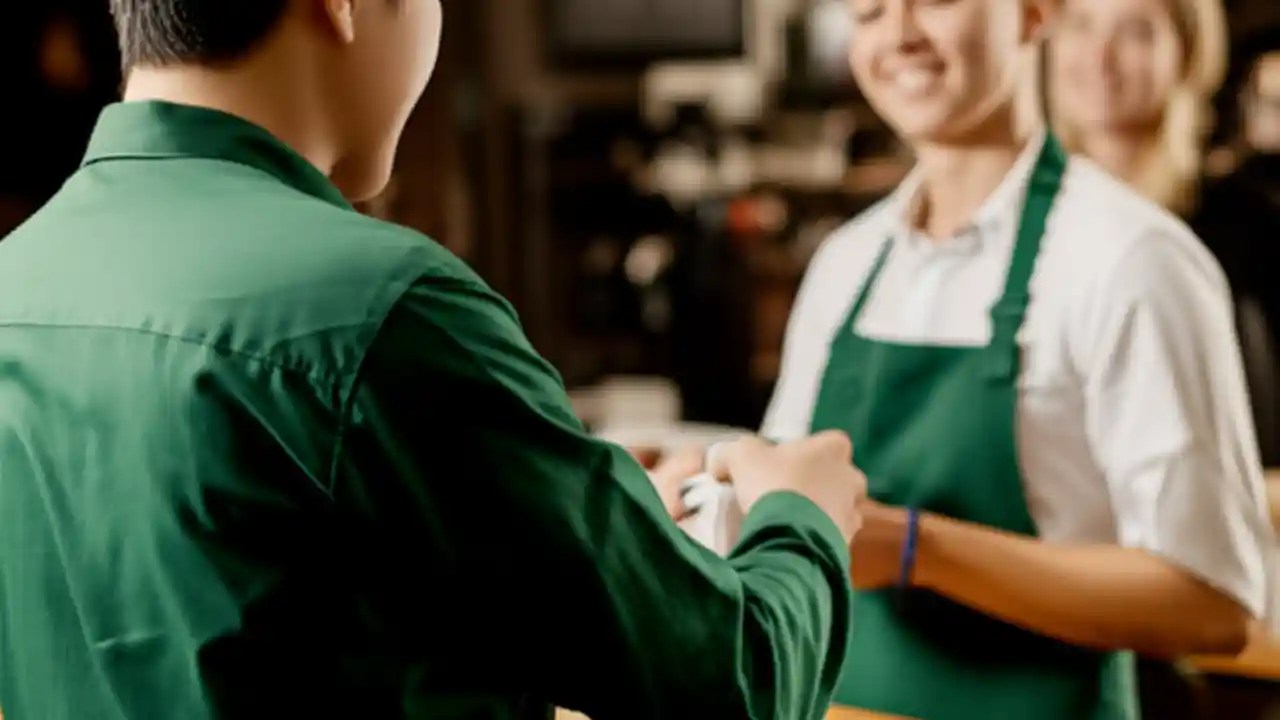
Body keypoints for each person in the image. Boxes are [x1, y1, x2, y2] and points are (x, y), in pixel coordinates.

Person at [0, 1, 867, 718]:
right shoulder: (381, 302)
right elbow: (732, 683)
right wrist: (802, 513)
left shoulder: (18, 281)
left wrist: (581, 503)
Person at [762, 0, 1274, 718]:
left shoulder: (1133, 261)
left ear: (1035, 13)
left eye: (936, 1)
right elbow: (784, 510)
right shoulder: (845, 264)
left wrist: (917, 549)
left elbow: (1213, 605)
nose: (900, 33)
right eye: (870, 9)